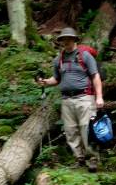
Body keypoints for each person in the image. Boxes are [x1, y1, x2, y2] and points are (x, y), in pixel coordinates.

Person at [38, 27, 104, 171]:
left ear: (74, 39)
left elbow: (95, 76)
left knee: (87, 129)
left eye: (69, 38)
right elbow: (56, 79)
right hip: (66, 100)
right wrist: (46, 82)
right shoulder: (59, 59)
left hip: (85, 97)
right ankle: (79, 158)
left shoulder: (85, 56)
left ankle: (92, 159)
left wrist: (99, 97)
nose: (66, 41)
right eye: (63, 39)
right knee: (71, 130)